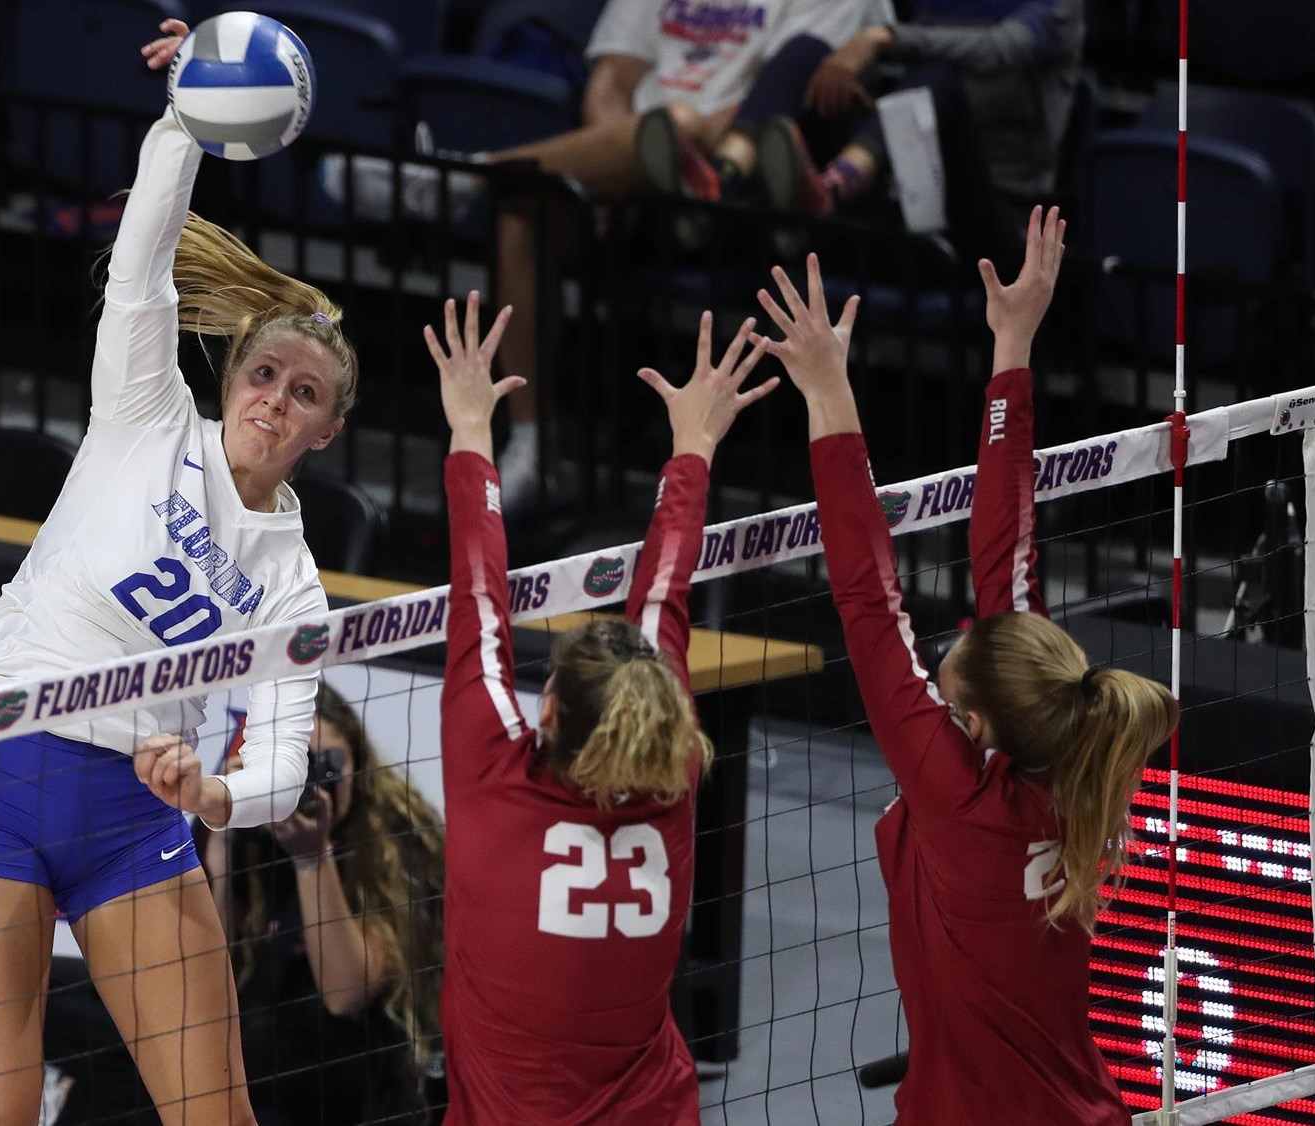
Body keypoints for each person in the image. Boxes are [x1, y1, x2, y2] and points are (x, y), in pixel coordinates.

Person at [0, 19, 358, 1125]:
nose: (273, 400)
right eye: (263, 373)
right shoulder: (145, 419)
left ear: (326, 431)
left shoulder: (293, 582)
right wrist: (183, 121)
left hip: (134, 814)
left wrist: (209, 792)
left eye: (304, 394)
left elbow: (280, 762)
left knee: (218, 1118)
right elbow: (141, 273)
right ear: (230, 377)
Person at [755, 210, 1177, 1124]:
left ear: (975, 729)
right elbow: (1004, 545)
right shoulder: (1064, 750)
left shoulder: (959, 791)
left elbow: (872, 601)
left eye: (945, 685)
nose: (935, 675)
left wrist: (829, 392)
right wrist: (1013, 343)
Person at [426, 291, 778, 1123]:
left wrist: (472, 428)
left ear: (546, 714)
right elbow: (659, 596)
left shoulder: (499, 767)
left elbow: (483, 589)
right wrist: (694, 444)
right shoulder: (675, 769)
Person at [326, 0, 875, 513]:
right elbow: (611, 78)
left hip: (737, 194)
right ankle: (534, 448)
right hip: (630, 179)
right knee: (524, 214)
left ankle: (465, 177)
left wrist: (684, 140)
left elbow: (781, 99)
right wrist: (617, 158)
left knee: (675, 123)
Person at [38, 685, 448, 1126]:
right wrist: (224, 840)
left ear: (357, 764)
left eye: (321, 764)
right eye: (291, 764)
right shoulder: (243, 821)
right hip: (228, 1029)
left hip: (332, 1060)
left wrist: (313, 856)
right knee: (55, 993)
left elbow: (347, 995)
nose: (304, 779)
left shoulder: (393, 844)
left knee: (172, 1058)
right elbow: (189, 966)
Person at [738, 0, 1085, 267]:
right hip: (908, 190)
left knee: (940, 76)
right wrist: (862, 88)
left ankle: (832, 190)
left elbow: (1001, 49)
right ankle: (727, 185)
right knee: (806, 52)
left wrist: (883, 39)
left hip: (991, 215)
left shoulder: (1058, 8)